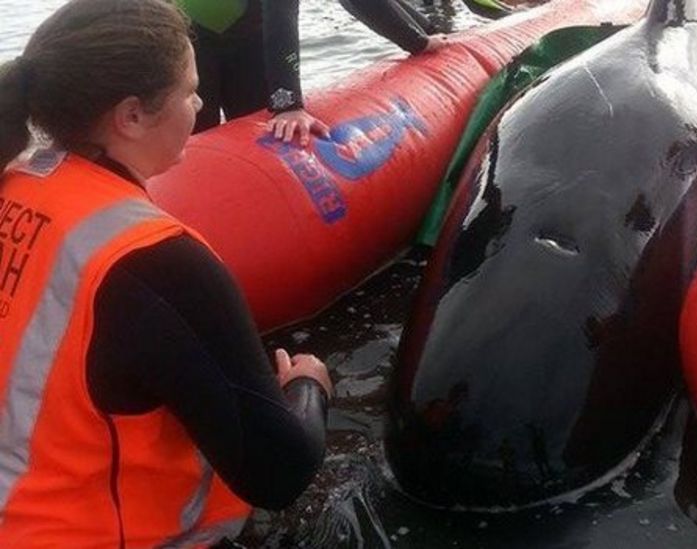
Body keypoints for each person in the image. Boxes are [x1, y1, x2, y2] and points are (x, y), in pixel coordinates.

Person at [0, 0, 333, 545]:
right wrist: (307, 386)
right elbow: (278, 473)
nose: (200, 103)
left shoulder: (14, 184)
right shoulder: (157, 261)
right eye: (190, 91)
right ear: (130, 117)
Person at [178, 0, 449, 145]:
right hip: (190, 36)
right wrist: (288, 105)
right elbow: (280, 13)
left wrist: (424, 34)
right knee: (194, 137)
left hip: (246, 33)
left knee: (253, 136)